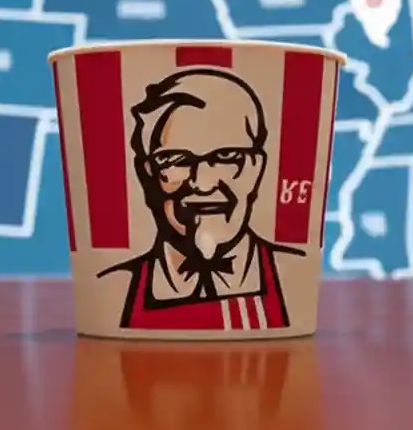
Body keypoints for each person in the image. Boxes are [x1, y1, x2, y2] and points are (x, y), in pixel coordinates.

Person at [98, 68, 302, 331]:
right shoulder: (112, 290)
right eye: (176, 160)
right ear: (147, 176)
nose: (203, 183)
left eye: (227, 156)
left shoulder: (296, 278)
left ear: (257, 169)